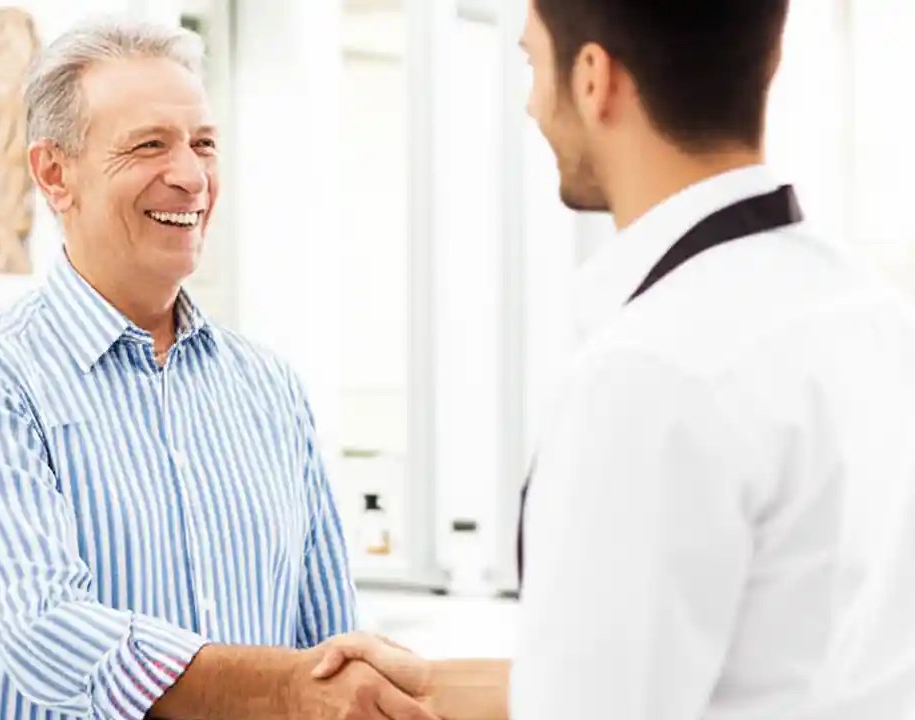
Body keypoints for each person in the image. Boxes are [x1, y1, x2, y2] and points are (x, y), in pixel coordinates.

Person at [313, 1, 915, 719]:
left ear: (594, 78)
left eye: (533, 64)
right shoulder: (875, 316)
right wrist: (428, 683)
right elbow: (767, 657)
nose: (533, 104)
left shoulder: (649, 373)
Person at [0, 18, 436, 720]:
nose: (190, 176)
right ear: (55, 174)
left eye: (204, 145)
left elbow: (326, 640)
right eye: (149, 145)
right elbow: (49, 631)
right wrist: (287, 688)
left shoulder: (269, 389)